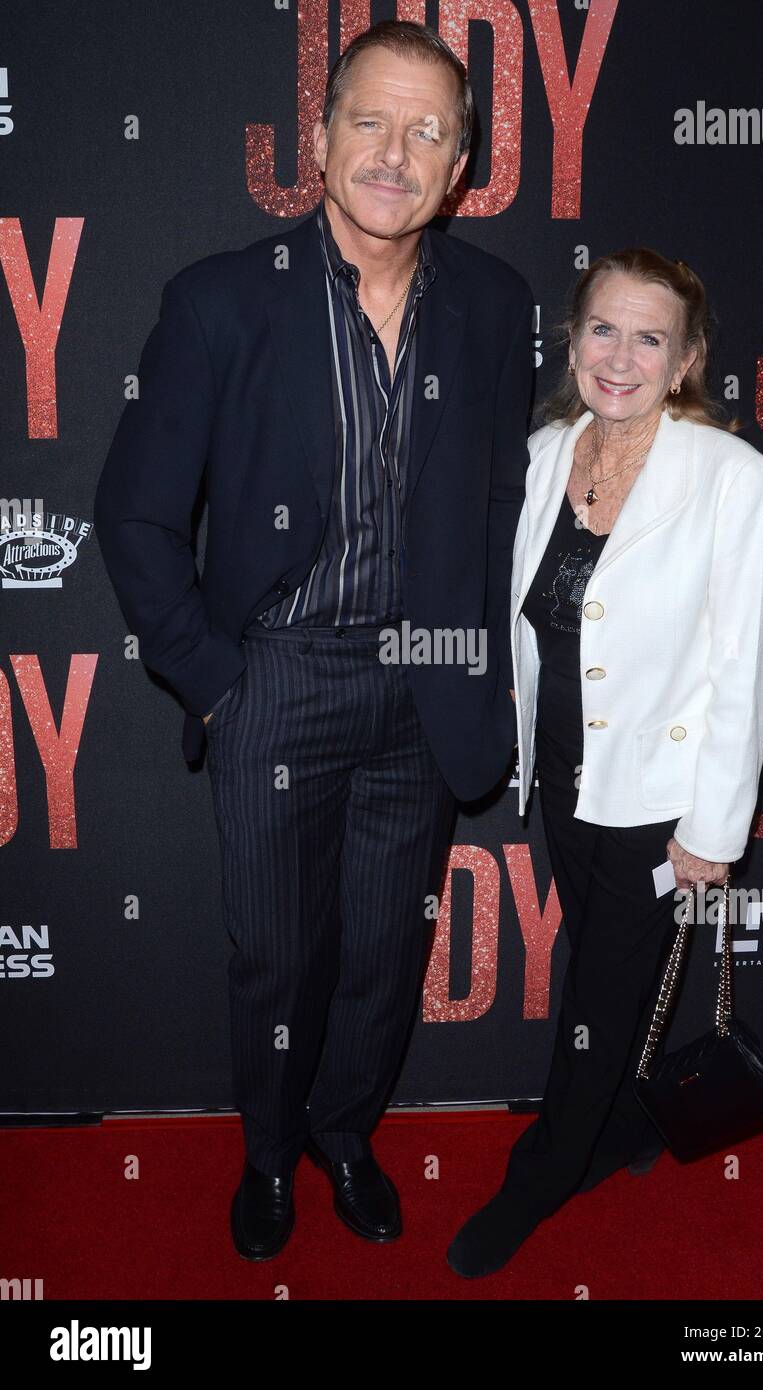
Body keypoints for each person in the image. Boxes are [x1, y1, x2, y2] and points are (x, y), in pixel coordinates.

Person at [93, 19, 534, 1261]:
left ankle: (347, 1135)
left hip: (424, 688)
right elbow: (131, 511)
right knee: (275, 958)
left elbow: (501, 498)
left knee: (387, 950)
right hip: (277, 678)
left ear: (462, 165)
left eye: (427, 131)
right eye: (370, 122)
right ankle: (271, 1153)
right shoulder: (223, 301)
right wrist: (222, 683)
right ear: (322, 135)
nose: (394, 154)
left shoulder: (496, 305)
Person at [447, 249, 763, 1278]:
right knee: (604, 969)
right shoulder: (545, 450)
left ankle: (547, 1168)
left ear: (684, 359)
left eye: (649, 337)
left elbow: (743, 662)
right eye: (602, 329)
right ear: (571, 338)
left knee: (598, 989)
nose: (621, 356)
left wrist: (710, 832)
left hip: (657, 797)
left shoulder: (729, 476)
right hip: (560, 774)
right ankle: (611, 1130)